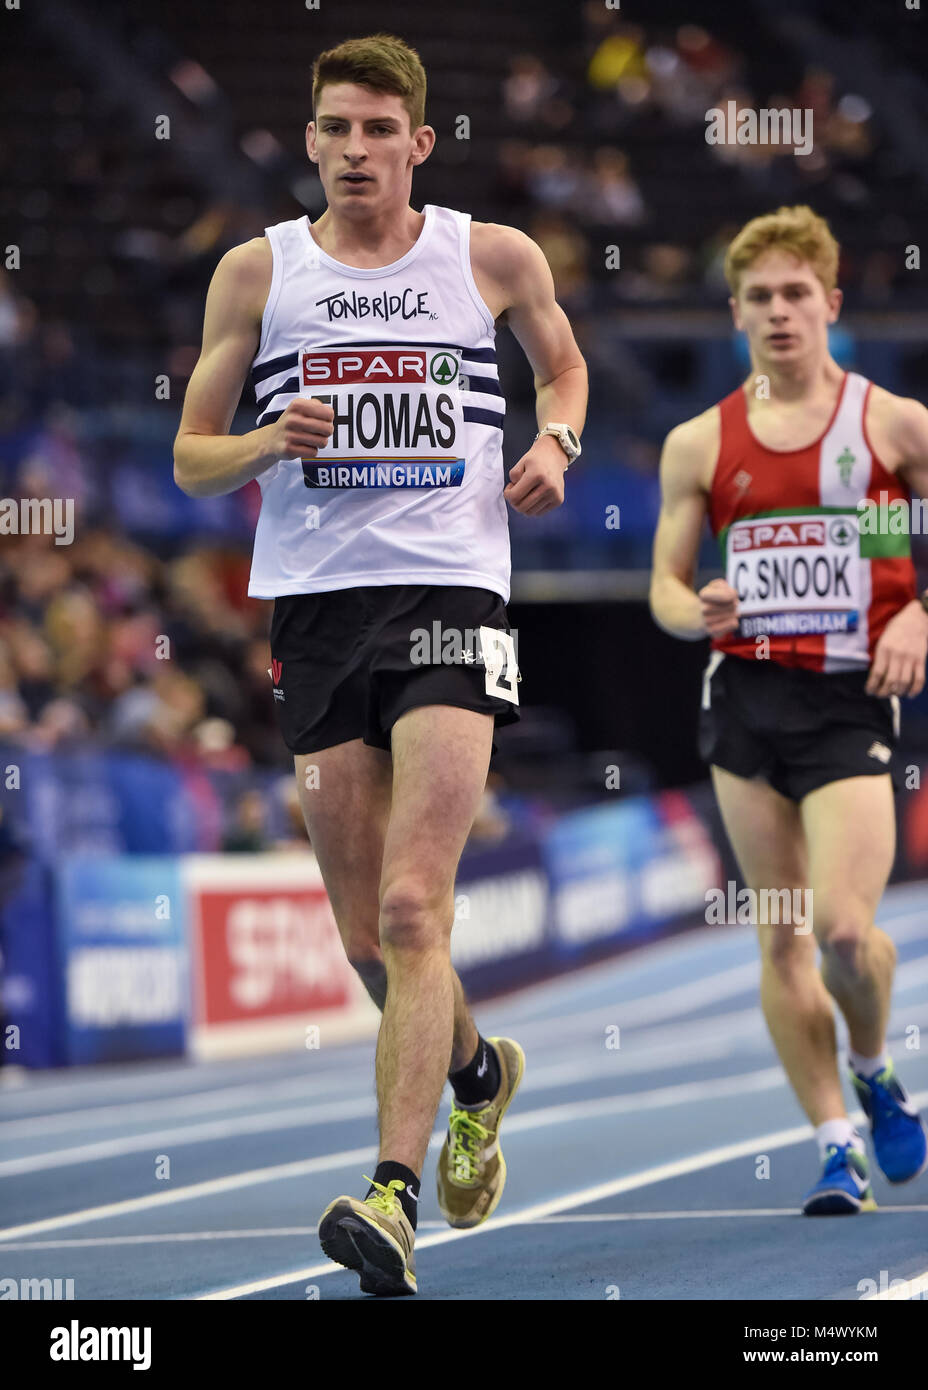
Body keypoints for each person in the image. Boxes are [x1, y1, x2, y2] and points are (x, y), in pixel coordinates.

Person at [174, 32, 587, 1293]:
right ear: (311, 141)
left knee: (415, 909)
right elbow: (190, 456)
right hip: (315, 614)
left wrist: (557, 442)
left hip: (452, 593)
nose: (356, 151)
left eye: (377, 130)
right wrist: (263, 442)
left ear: (418, 142)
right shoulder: (259, 271)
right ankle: (478, 1075)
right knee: (367, 942)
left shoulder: (489, 255)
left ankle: (392, 1196)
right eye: (336, 130)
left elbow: (563, 366)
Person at [650, 204, 928, 1215]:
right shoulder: (698, 443)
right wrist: (697, 609)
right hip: (745, 703)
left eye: (795, 294)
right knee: (781, 939)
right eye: (758, 296)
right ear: (734, 313)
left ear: (830, 303)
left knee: (846, 933)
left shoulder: (892, 426)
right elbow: (664, 588)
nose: (778, 311)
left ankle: (871, 1065)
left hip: (849, 701)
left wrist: (919, 614)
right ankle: (833, 1143)